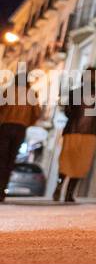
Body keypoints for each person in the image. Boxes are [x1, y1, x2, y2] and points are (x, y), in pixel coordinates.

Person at [54, 70, 96, 203]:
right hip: (90, 132)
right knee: (81, 164)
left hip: (73, 130)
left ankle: (59, 186)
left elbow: (68, 112)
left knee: (66, 162)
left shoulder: (74, 92)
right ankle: (69, 193)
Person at [0, 69, 43, 203]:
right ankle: (2, 191)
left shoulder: (8, 91)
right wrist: (26, 123)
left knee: (1, 159)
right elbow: (36, 113)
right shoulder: (31, 94)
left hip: (5, 127)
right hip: (20, 128)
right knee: (10, 160)